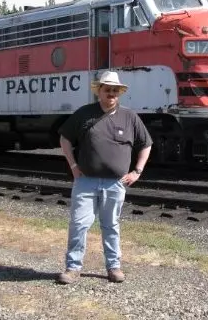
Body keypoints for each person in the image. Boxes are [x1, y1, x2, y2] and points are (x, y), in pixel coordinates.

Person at [57, 70, 152, 284]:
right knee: (79, 224)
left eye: (115, 90)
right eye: (107, 89)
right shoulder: (84, 114)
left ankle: (114, 267)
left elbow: (146, 144)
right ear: (98, 91)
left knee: (111, 226)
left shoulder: (130, 117)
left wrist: (137, 171)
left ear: (119, 93)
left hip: (115, 184)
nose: (111, 93)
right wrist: (73, 165)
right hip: (86, 181)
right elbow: (64, 139)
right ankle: (73, 268)